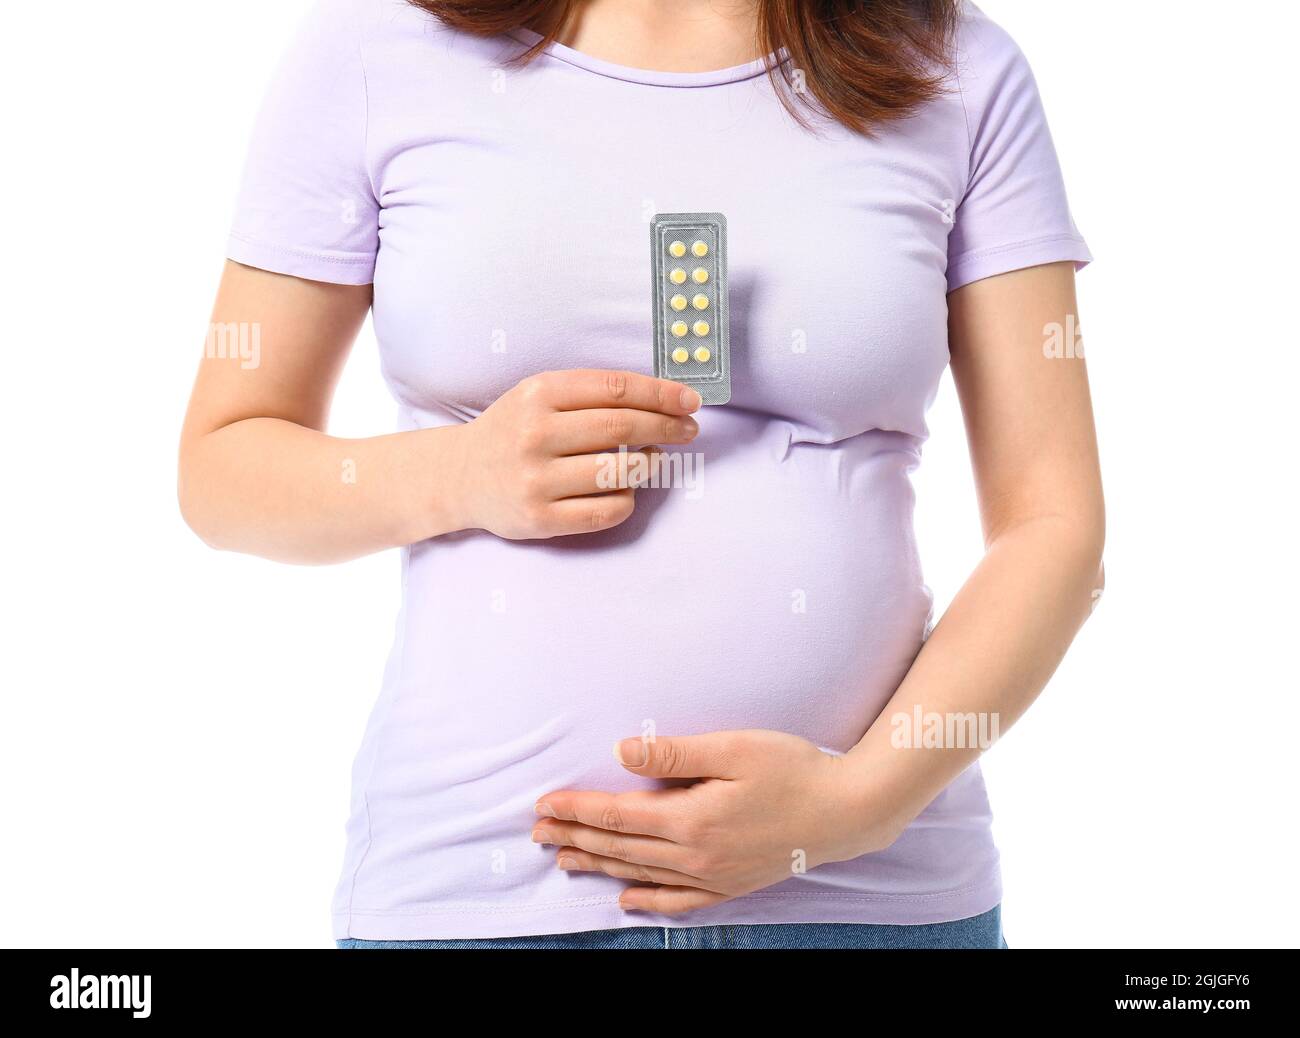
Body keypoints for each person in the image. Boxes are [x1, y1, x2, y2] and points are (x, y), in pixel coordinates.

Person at [179, 0, 1104, 950]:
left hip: (870, 902)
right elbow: (222, 470)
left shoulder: (953, 66)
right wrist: (458, 472)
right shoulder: (368, 52)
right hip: (480, 898)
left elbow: (1057, 525)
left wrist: (857, 804)